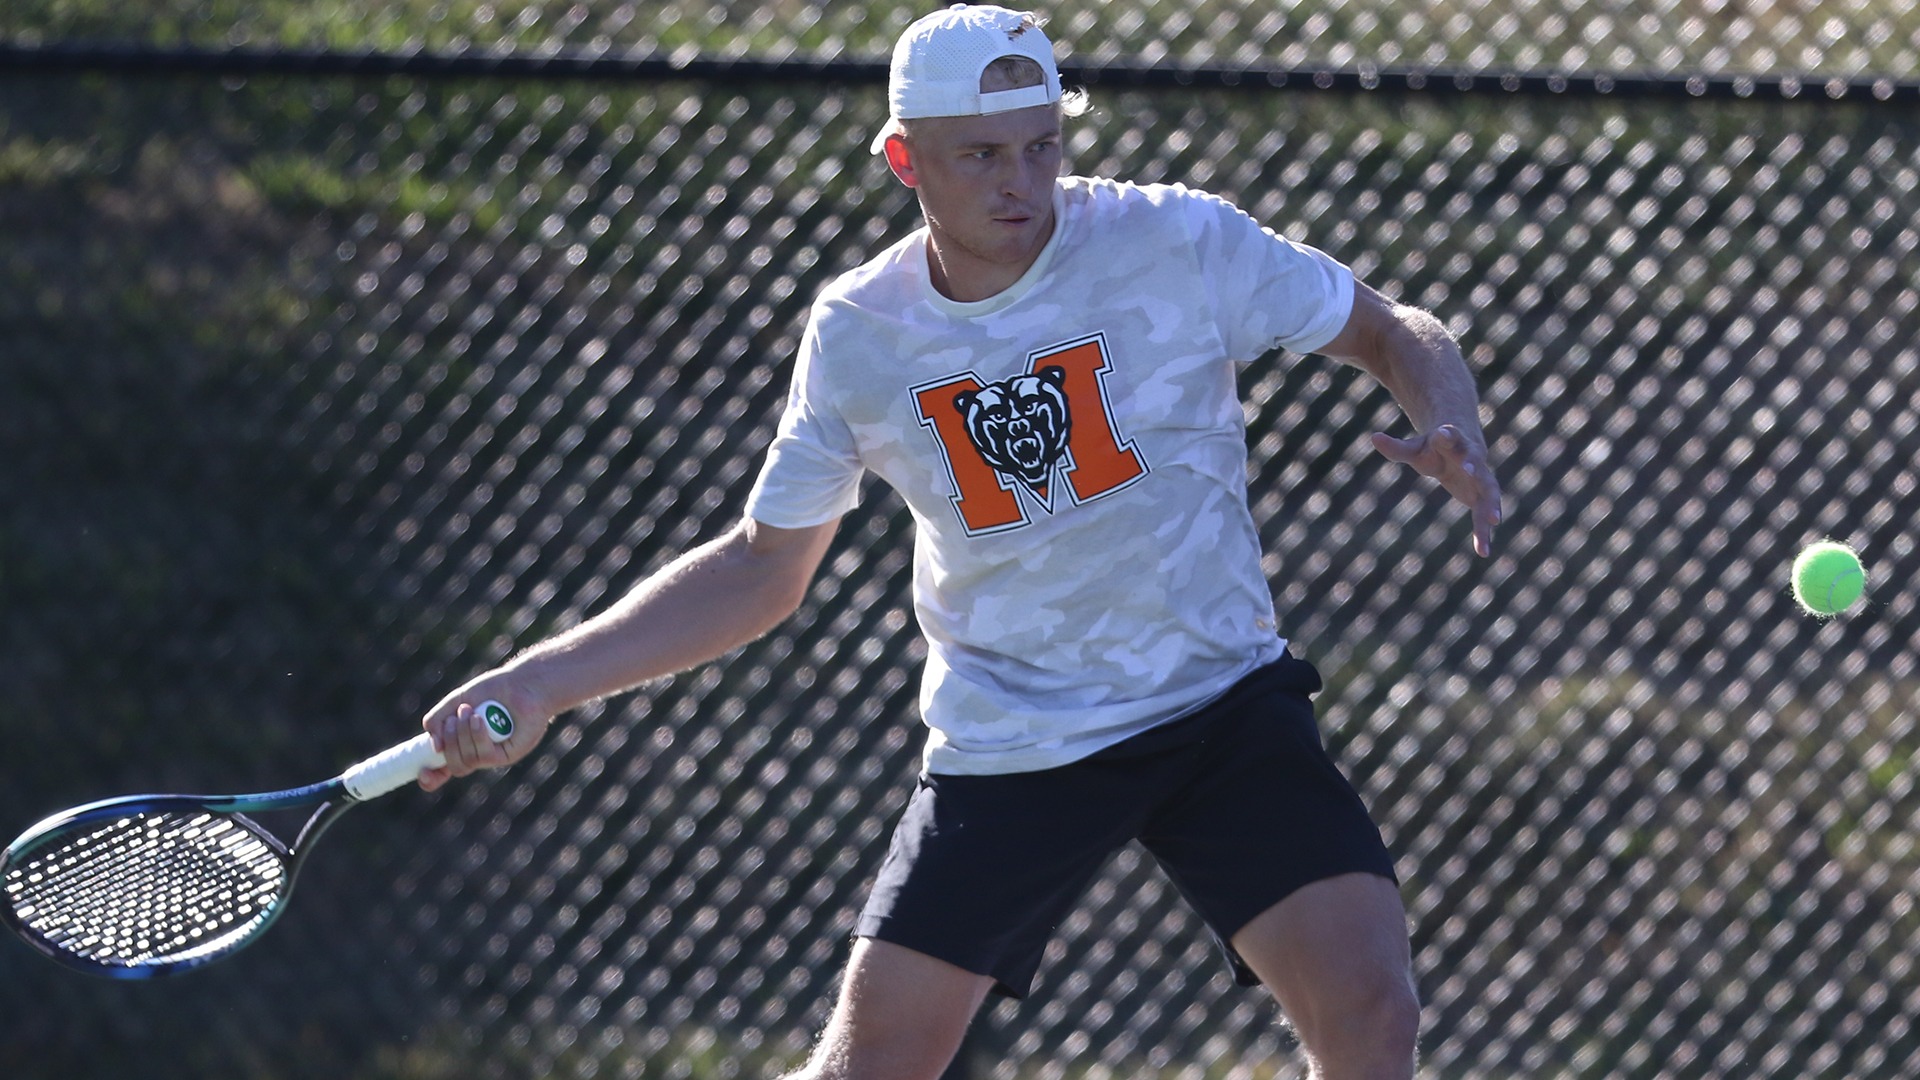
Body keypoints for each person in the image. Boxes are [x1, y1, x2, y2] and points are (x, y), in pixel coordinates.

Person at [417, 5, 1502, 1078]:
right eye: (980, 155)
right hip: (1016, 737)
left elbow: (1389, 328)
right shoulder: (860, 332)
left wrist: (1447, 416)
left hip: (1219, 702)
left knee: (1372, 1011)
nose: (1020, 182)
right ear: (905, 160)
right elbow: (762, 567)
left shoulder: (1177, 238)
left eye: (1042, 146)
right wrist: (542, 681)